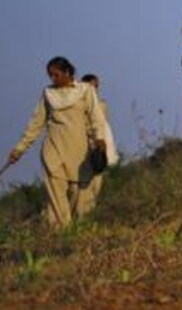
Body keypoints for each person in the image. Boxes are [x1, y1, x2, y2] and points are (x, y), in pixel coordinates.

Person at [7, 57, 106, 228]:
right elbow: (36, 123)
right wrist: (19, 149)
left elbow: (96, 117)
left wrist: (99, 139)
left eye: (56, 75)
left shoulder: (85, 90)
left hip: (78, 151)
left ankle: (74, 230)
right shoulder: (48, 93)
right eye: (50, 75)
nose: (53, 79)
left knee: (77, 193)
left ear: (67, 72)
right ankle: (62, 235)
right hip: (53, 149)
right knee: (56, 195)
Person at [76, 73, 118, 217]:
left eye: (96, 86)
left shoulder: (102, 105)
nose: (94, 90)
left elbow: (104, 127)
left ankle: (88, 218)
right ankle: (79, 219)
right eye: (91, 87)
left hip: (100, 150)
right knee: (83, 187)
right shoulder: (78, 107)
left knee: (96, 186)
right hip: (83, 150)